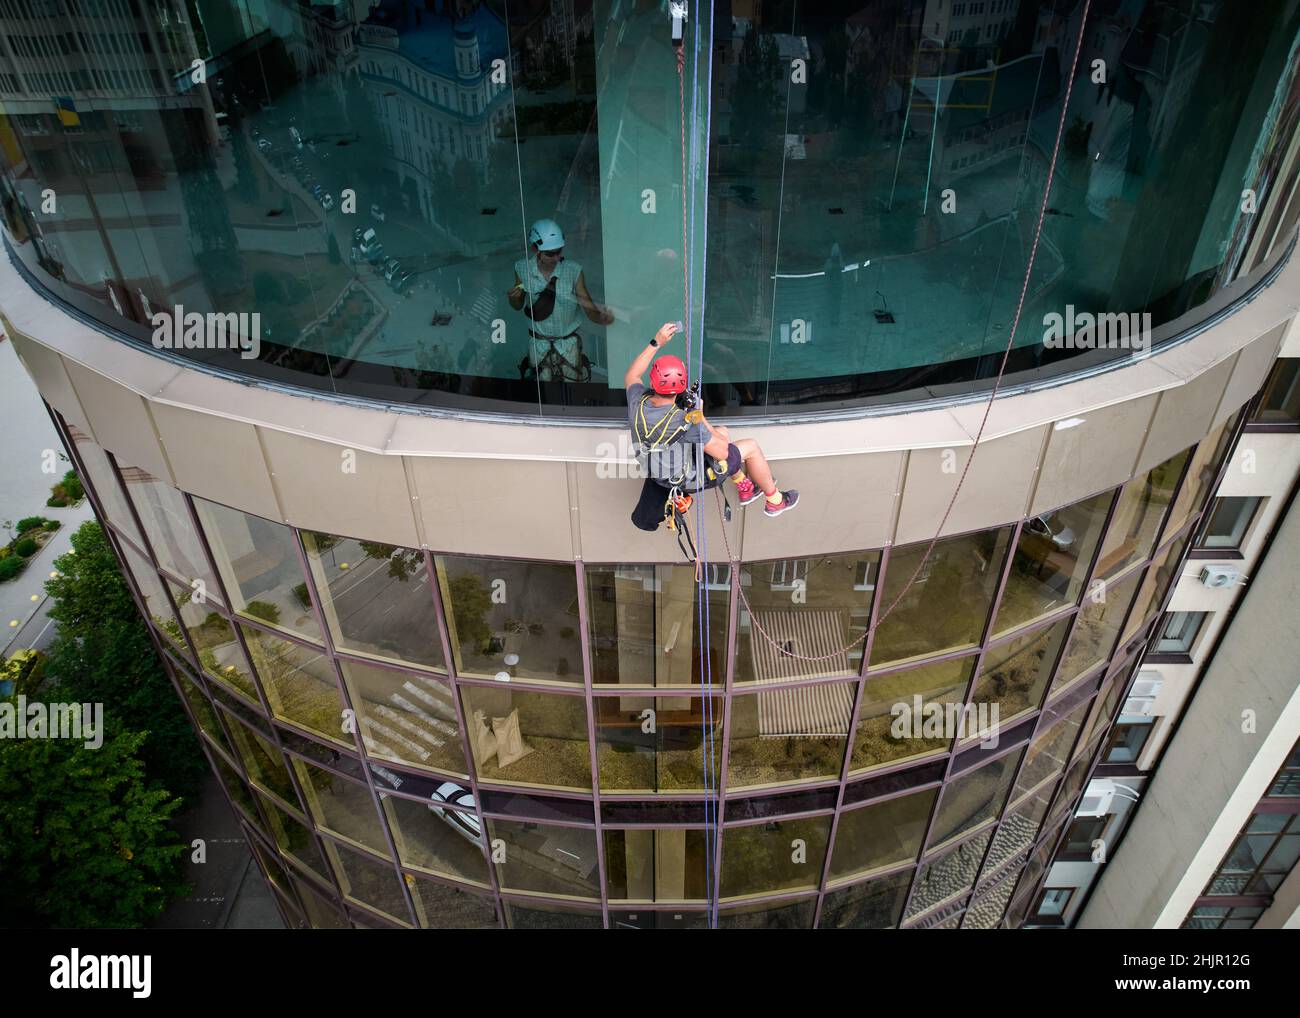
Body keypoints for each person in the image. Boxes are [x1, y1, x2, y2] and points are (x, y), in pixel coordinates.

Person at [625, 322, 799, 518]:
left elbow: (633, 374)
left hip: (660, 470)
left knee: (722, 432)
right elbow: (721, 452)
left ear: (652, 381)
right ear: (681, 387)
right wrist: (698, 414)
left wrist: (656, 341)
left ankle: (745, 487)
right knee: (750, 447)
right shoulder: (684, 420)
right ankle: (775, 500)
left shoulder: (638, 402)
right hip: (687, 479)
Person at [508, 218, 614, 382]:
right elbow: (517, 305)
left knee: (572, 387)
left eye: (559, 251)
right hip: (538, 344)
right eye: (550, 253)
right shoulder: (522, 268)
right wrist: (513, 298)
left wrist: (601, 318)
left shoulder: (573, 270)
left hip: (568, 345)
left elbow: (587, 306)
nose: (556, 257)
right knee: (542, 392)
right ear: (535, 249)